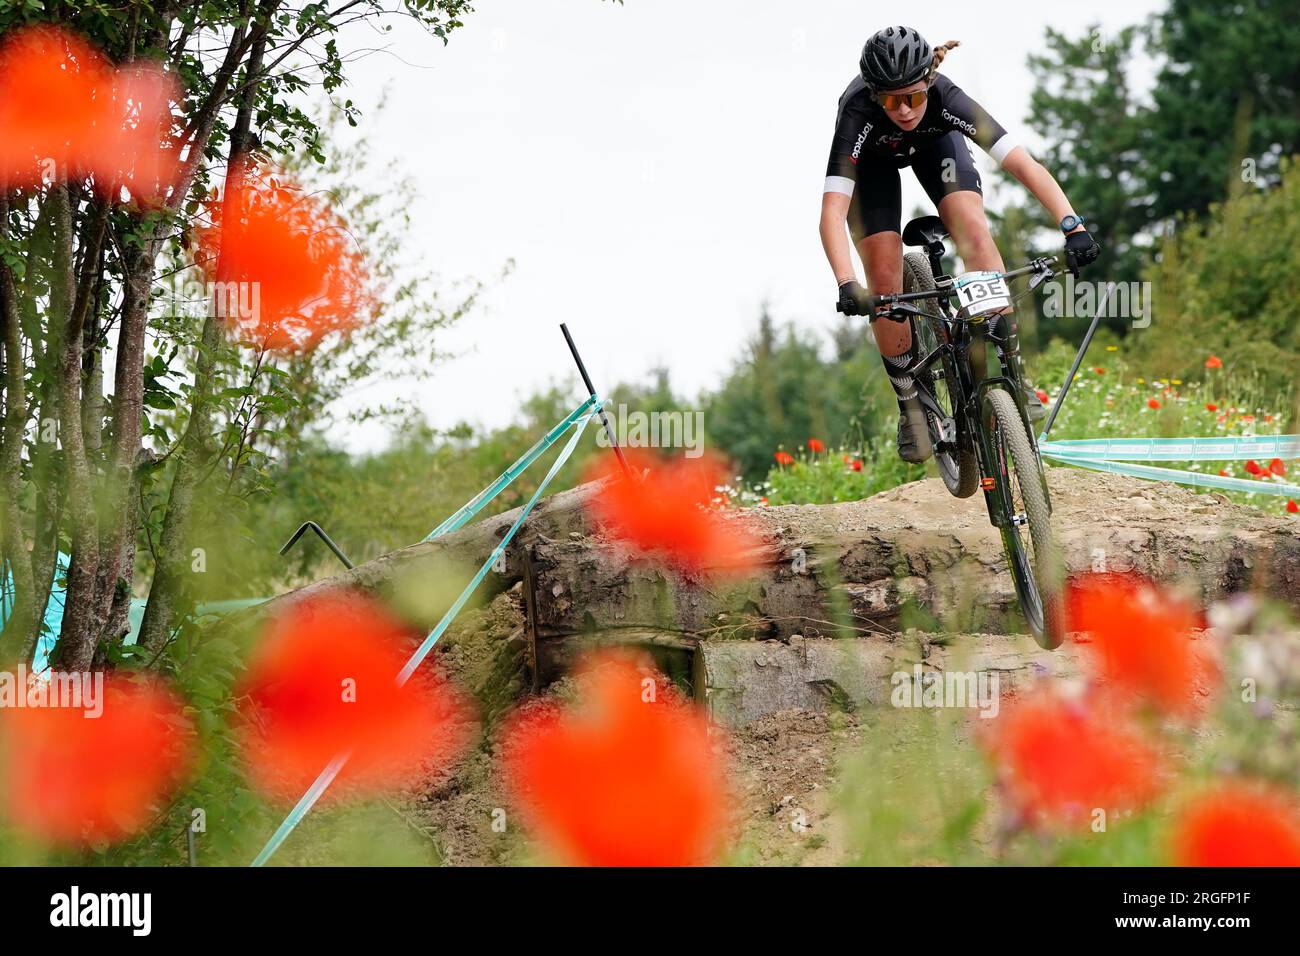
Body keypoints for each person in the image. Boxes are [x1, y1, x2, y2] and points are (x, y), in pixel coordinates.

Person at [819, 25, 1100, 462]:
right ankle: (912, 401)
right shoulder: (857, 112)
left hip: (937, 149)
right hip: (874, 168)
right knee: (883, 273)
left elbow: (1023, 165)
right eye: (893, 100)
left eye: (914, 96)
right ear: (876, 96)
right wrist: (846, 283)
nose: (906, 110)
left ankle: (1012, 368)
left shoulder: (948, 99)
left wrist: (1072, 225)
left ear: (929, 80)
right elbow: (832, 214)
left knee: (972, 227)